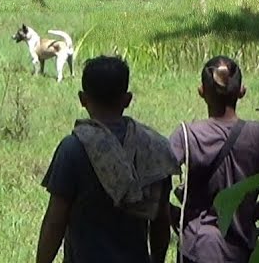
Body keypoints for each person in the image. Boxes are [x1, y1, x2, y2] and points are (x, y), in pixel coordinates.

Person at [37, 56, 177, 263]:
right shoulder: (154, 148)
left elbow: (55, 221)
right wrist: (157, 258)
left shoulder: (73, 148)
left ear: (82, 99)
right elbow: (161, 219)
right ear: (127, 100)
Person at [170, 56, 259, 263]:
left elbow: (154, 182)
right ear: (242, 91)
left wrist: (174, 215)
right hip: (242, 249)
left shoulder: (187, 135)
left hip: (198, 246)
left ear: (201, 92)